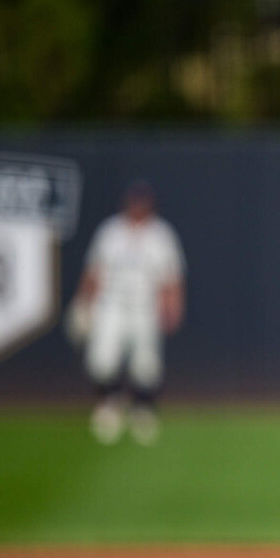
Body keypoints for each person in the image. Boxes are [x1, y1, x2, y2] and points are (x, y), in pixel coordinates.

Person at [69, 181, 185, 446]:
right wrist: (84, 302)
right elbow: (94, 271)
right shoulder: (110, 232)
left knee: (146, 363)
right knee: (102, 358)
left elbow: (172, 277)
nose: (138, 207)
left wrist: (173, 306)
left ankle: (143, 410)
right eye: (134, 202)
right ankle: (108, 405)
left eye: (142, 202)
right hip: (111, 303)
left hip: (145, 305)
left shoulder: (160, 234)